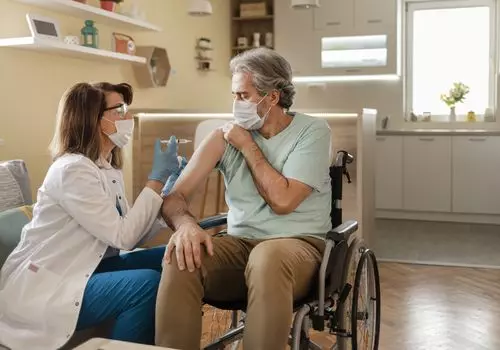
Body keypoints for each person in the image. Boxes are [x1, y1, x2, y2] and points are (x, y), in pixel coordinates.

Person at [155, 47, 332, 350]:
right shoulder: (222, 137)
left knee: (268, 257)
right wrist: (185, 225)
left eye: (243, 96)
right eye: (234, 95)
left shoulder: (312, 132)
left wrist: (247, 145)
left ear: (272, 97)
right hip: (240, 245)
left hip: (300, 245)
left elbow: (283, 201)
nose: (235, 105)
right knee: (181, 255)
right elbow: (175, 197)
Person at [0, 82, 184, 350]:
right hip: (47, 285)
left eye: (127, 108)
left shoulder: (105, 168)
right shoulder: (72, 171)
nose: (128, 117)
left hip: (87, 268)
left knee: (175, 255)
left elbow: (133, 236)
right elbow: (123, 237)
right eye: (119, 110)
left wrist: (164, 190)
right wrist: (154, 181)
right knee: (145, 284)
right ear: (93, 120)